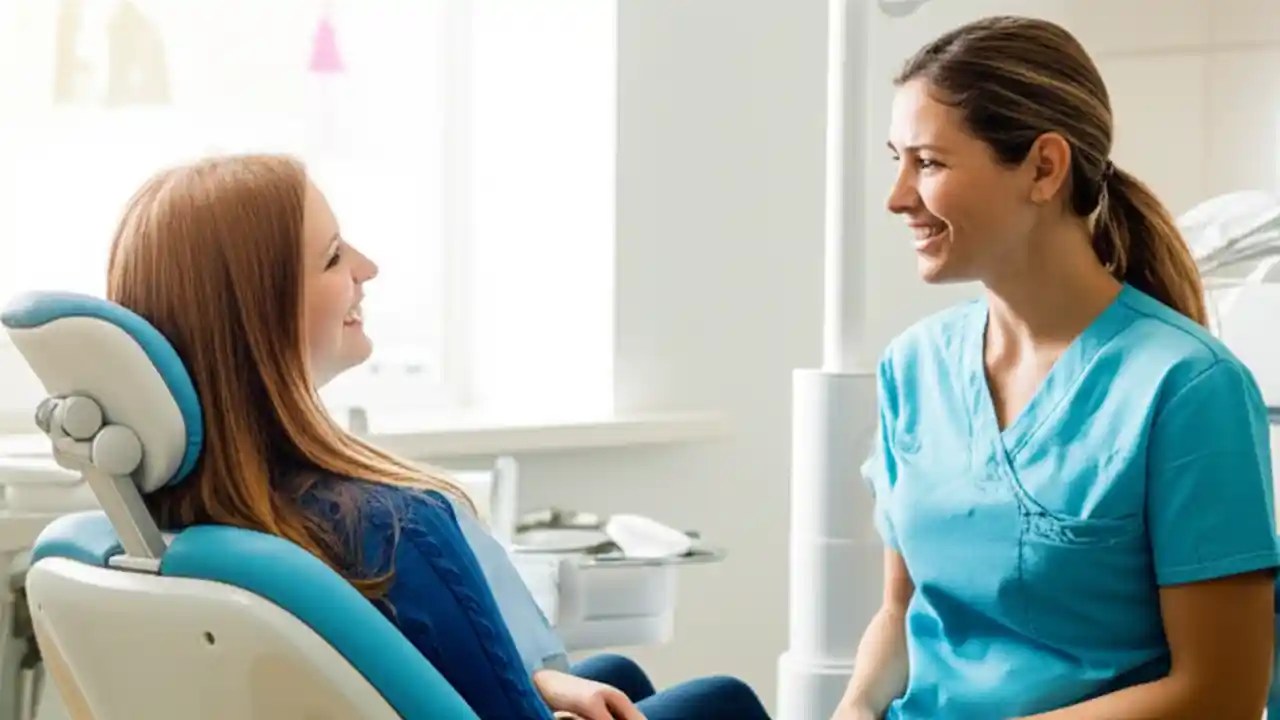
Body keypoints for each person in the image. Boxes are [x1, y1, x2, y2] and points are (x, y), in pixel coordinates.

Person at [105, 154, 770, 720]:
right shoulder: (391, 528)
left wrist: (535, 684)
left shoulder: (181, 524)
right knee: (722, 701)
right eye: (334, 256)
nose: (367, 267)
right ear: (257, 312)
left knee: (614, 675)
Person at [832, 15, 1278, 720]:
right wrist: (854, 709)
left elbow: (1220, 693)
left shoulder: (1188, 387)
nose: (897, 196)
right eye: (897, 159)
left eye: (928, 162)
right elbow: (902, 612)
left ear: (1043, 167)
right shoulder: (913, 367)